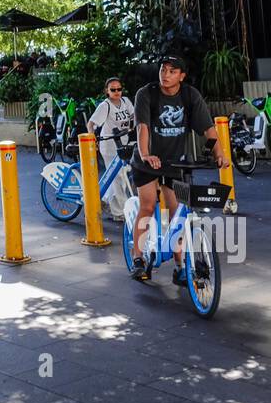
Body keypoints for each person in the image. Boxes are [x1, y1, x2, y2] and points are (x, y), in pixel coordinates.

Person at [127, 56, 228, 285]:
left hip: (175, 163)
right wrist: (145, 155)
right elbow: (142, 127)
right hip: (147, 162)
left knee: (178, 213)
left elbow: (208, 129)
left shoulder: (190, 95)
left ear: (181, 76)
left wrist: (219, 154)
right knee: (148, 204)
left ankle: (180, 266)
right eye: (163, 69)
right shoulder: (147, 93)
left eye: (172, 71)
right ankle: (138, 258)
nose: (166, 74)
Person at [87, 76, 136, 167]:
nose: (117, 92)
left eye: (119, 89)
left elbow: (133, 115)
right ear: (107, 91)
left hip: (124, 143)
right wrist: (92, 140)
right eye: (113, 90)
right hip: (109, 145)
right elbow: (91, 124)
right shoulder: (105, 105)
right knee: (117, 177)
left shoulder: (126, 101)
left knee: (124, 174)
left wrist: (131, 126)